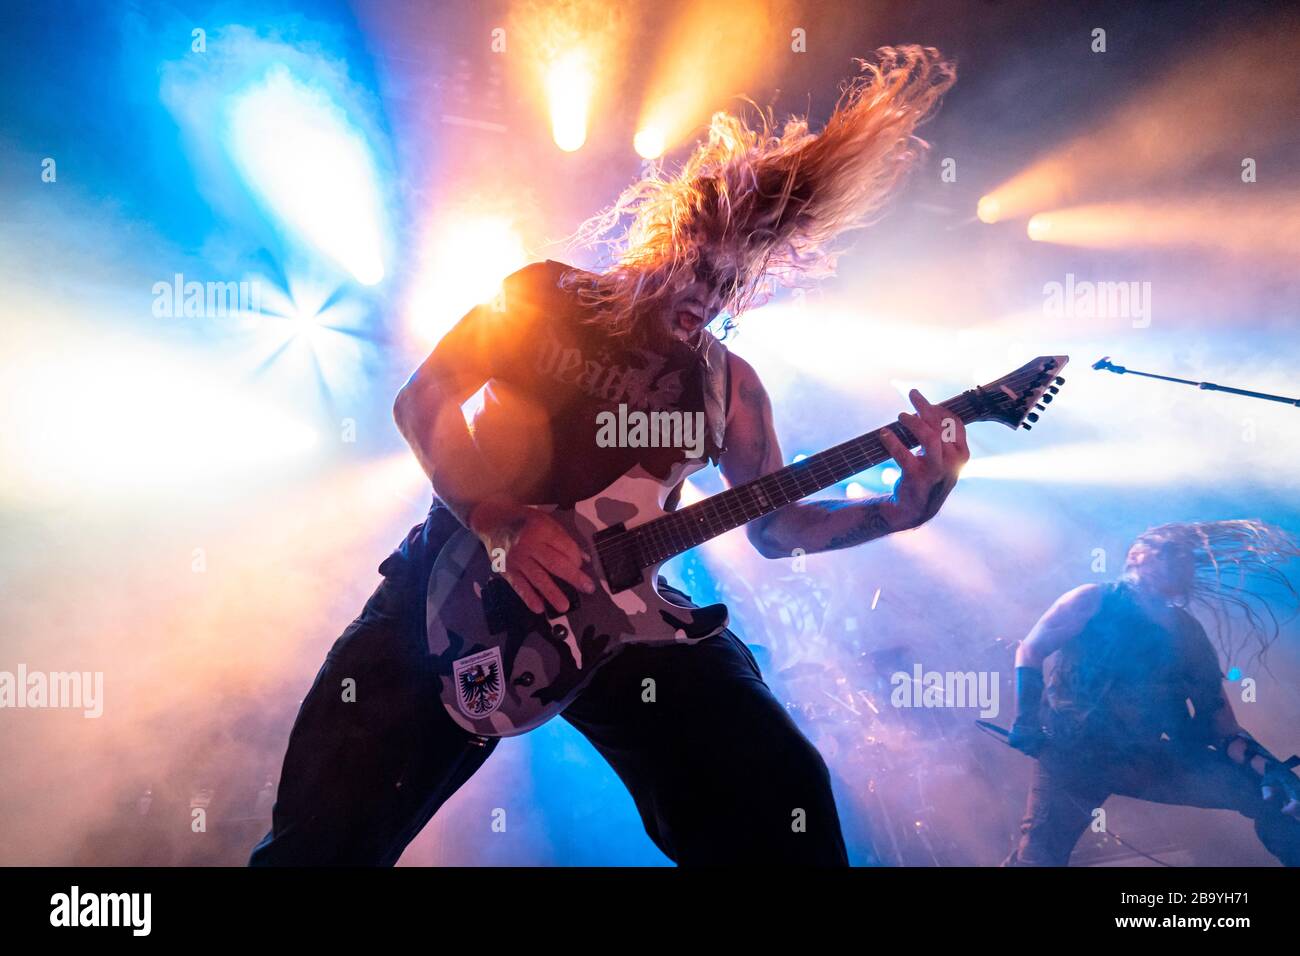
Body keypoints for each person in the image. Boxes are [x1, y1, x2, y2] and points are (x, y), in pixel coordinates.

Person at [251, 46, 963, 866]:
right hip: (452, 594)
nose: (708, 297)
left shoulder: (733, 388)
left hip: (622, 625)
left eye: (733, 284)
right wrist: (500, 520)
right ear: (674, 233)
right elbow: (423, 402)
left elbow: (776, 528)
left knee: (778, 792)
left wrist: (902, 510)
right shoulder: (545, 297)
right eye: (701, 268)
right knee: (319, 846)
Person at [1005, 520, 1300, 866]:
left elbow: (1221, 724)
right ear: (1137, 555)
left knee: (1273, 796)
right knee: (1039, 858)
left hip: (1142, 757)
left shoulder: (1187, 633)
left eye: (1187, 558)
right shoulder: (1093, 600)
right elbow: (1031, 649)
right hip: (1073, 754)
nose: (1184, 564)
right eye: (1171, 553)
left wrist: (1268, 769)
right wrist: (1026, 719)